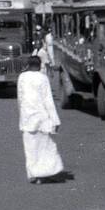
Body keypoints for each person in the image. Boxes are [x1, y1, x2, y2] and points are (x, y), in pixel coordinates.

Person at [18, 54, 65, 183]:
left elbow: (20, 99)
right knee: (46, 146)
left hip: (27, 118)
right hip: (42, 117)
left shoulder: (22, 77)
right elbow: (48, 100)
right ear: (39, 66)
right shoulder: (43, 78)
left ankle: (34, 174)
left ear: (28, 65)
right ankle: (46, 172)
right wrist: (55, 120)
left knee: (30, 148)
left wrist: (22, 117)